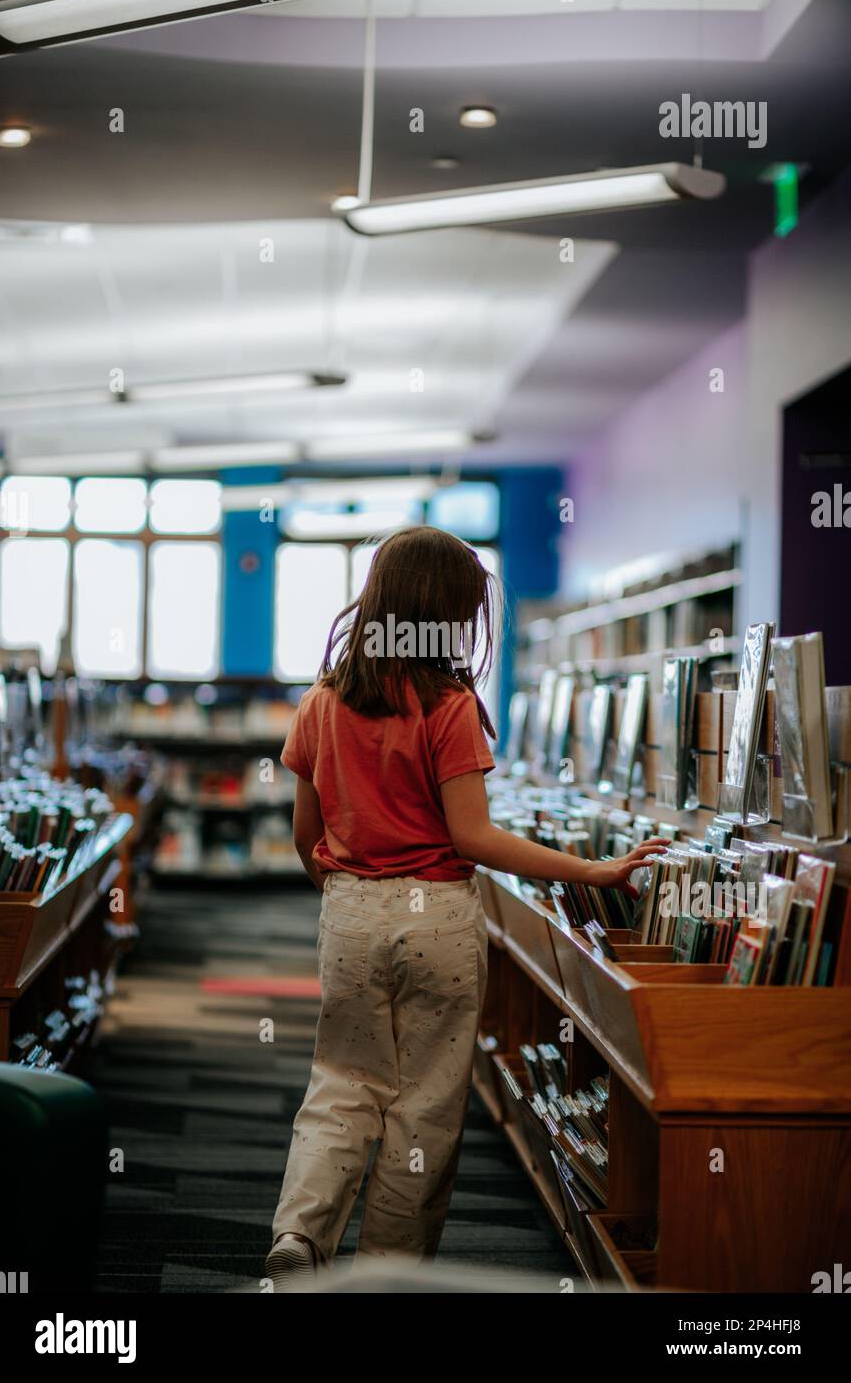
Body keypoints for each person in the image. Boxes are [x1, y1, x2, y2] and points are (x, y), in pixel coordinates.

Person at [264, 526, 663, 1288]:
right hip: (439, 920)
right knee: (424, 1108)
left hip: (348, 914)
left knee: (342, 1084)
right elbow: (471, 837)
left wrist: (350, 892)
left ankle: (301, 1234)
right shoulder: (449, 706)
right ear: (445, 612)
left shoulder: (320, 703)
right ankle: (383, 1276)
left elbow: (306, 836)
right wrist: (592, 868)